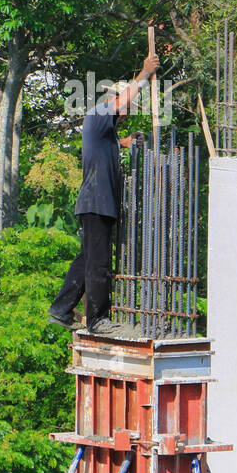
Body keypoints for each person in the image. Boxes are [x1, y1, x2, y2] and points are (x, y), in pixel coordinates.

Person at [47, 52, 159, 336]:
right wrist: (145, 73)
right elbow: (121, 101)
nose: (130, 111)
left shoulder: (105, 131)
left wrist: (127, 142)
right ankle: (97, 319)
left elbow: (113, 142)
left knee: (86, 258)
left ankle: (61, 309)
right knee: (98, 264)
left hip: (97, 203)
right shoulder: (99, 113)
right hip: (97, 202)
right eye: (129, 106)